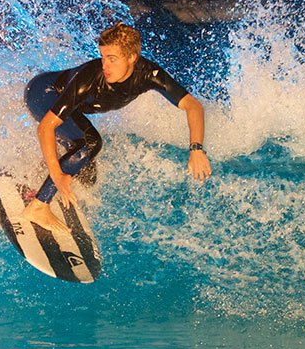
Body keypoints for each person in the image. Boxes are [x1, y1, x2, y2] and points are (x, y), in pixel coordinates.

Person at [21, 22, 212, 233]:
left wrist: (196, 149)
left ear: (132, 57)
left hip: (63, 104)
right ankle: (38, 206)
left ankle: (40, 176)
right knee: (88, 145)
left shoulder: (149, 74)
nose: (105, 66)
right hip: (42, 93)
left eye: (112, 59)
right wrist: (57, 176)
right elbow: (45, 128)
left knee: (87, 172)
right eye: (103, 57)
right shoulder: (91, 77)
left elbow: (193, 106)